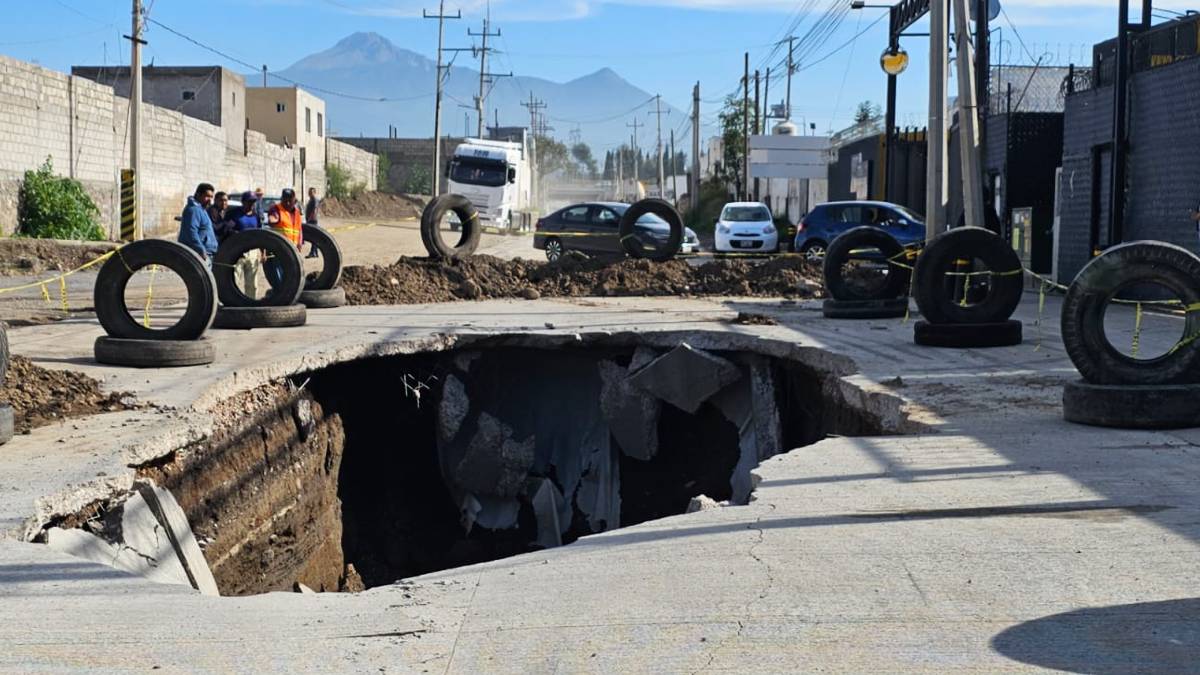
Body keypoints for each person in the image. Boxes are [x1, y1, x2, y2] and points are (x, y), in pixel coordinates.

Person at [264, 188, 305, 289]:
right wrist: (272, 220)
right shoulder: (276, 209)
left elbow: (299, 229)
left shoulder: (297, 212)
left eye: (289, 200)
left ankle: (289, 292)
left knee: (292, 272)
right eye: (285, 199)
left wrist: (300, 243)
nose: (287, 202)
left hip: (293, 249)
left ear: (294, 200)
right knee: (280, 274)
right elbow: (272, 218)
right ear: (281, 199)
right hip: (278, 249)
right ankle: (281, 293)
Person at [232, 191, 263, 298]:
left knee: (252, 284)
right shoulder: (234, 214)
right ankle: (232, 303)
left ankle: (251, 303)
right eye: (249, 201)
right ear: (243, 202)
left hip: (253, 251)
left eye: (253, 202)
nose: (251, 204)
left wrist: (263, 252)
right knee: (234, 280)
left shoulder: (256, 216)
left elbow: (261, 234)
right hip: (237, 251)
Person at [178, 183, 218, 266]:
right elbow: (191, 232)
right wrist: (201, 250)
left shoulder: (201, 209)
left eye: (211, 197)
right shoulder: (194, 210)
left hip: (206, 254)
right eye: (207, 196)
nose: (210, 200)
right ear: (198, 194)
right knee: (201, 279)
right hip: (199, 255)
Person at [304, 187, 321, 259]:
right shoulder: (311, 200)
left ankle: (313, 252)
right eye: (309, 192)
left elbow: (314, 210)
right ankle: (315, 252)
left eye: (311, 192)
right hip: (310, 220)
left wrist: (310, 219)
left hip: (312, 220)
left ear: (314, 192)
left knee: (313, 237)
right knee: (313, 237)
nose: (309, 193)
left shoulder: (314, 200)